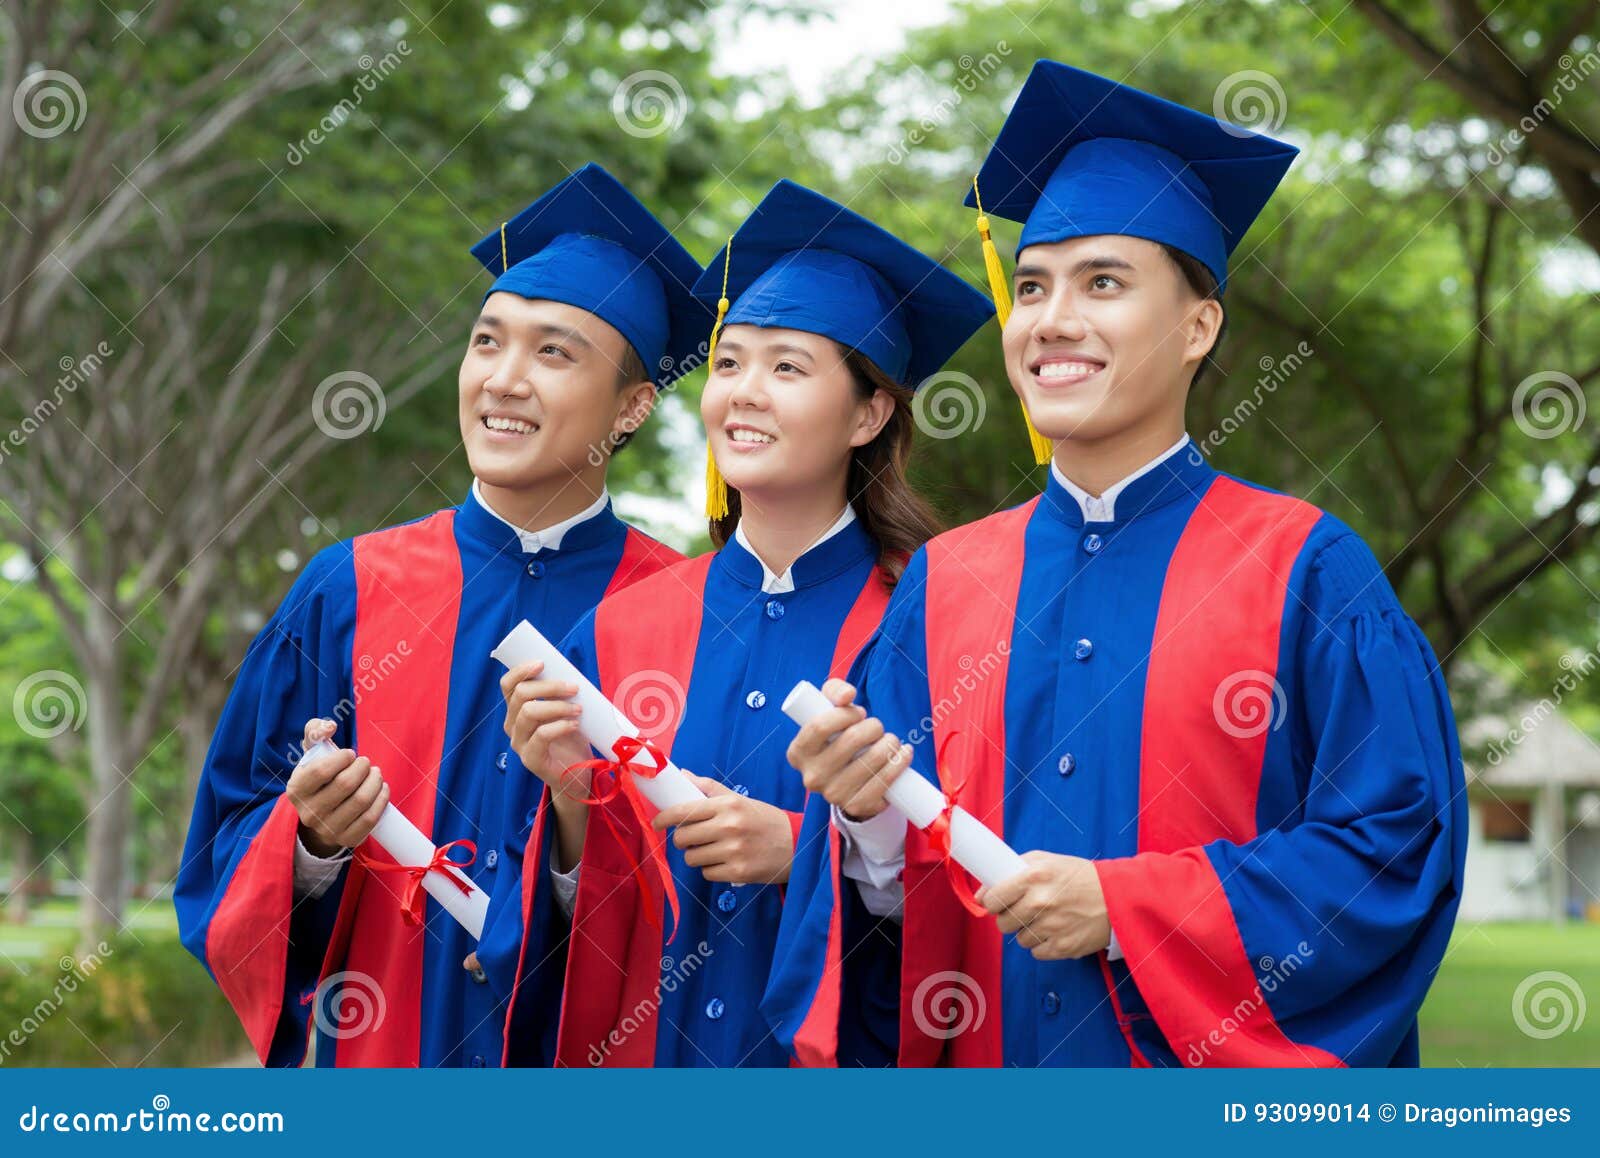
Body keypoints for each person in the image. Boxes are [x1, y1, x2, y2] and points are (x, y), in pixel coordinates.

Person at [772, 61, 1466, 1068]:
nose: (1051, 318)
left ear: (1197, 326)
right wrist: (866, 823)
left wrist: (1129, 906)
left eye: (1103, 282)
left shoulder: (1304, 568)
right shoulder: (944, 582)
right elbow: (892, 919)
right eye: (1034, 284)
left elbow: (1391, 851)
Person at [175, 163, 710, 1067]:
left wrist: (584, 824)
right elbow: (224, 850)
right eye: (486, 342)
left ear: (632, 407)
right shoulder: (348, 587)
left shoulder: (685, 611)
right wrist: (308, 841)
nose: (502, 380)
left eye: (553, 352)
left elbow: (711, 905)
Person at [483, 180, 993, 1066]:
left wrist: (806, 856)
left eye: (787, 368)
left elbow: (993, 892)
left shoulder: (941, 623)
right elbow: (571, 932)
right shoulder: (619, 634)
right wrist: (569, 794)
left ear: (869, 414)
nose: (743, 394)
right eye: (729, 363)